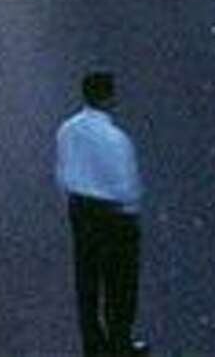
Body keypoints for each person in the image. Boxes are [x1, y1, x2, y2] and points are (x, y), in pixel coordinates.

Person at [54, 70, 146, 357]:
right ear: (109, 98)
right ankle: (121, 342)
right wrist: (131, 214)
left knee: (87, 278)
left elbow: (62, 170)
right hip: (114, 215)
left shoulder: (67, 129)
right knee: (120, 282)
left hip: (81, 211)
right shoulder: (115, 138)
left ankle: (93, 344)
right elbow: (125, 184)